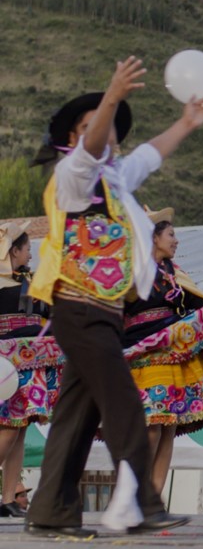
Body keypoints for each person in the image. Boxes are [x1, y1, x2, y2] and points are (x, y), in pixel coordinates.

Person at [25, 57, 203, 540]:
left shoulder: (114, 182)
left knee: (75, 414)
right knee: (123, 402)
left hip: (107, 313)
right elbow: (90, 153)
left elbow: (148, 154)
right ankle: (146, 504)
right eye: (92, 128)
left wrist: (186, 122)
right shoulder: (72, 177)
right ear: (72, 140)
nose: (104, 134)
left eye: (110, 127)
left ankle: (49, 511)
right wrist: (111, 95)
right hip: (78, 308)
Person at [122, 207, 203, 495]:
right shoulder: (132, 271)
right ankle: (136, 493)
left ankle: (154, 496)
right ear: (153, 238)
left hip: (172, 355)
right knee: (152, 426)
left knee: (168, 428)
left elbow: (200, 305)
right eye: (171, 235)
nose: (176, 241)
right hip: (141, 355)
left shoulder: (175, 274)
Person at [0, 222, 57, 519]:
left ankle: (9, 497)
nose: (30, 255)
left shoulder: (32, 282)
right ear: (13, 251)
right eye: (26, 249)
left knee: (19, 431)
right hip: (7, 367)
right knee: (9, 430)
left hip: (30, 362)